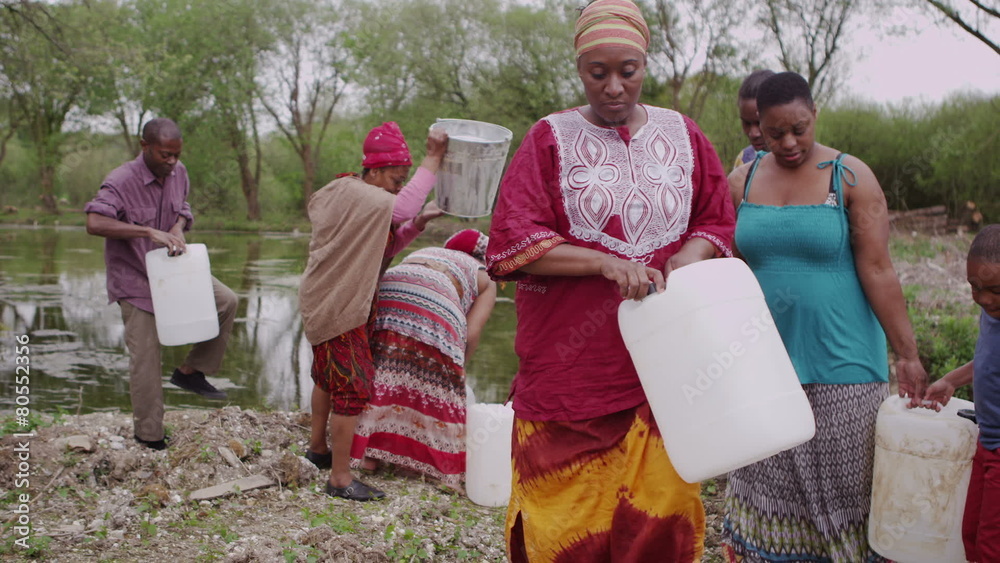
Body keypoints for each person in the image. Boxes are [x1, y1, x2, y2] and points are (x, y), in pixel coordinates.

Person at [485, 0, 736, 559]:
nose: (615, 87)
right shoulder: (548, 138)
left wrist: (689, 255)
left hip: (666, 373)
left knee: (659, 521)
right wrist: (602, 261)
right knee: (562, 529)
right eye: (599, 73)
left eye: (629, 71)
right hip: (571, 373)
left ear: (646, 65)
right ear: (579, 69)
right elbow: (510, 242)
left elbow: (717, 217)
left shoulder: (684, 135)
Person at [721, 72, 929, 562]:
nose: (789, 142)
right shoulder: (741, 182)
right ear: (758, 130)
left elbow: (878, 268)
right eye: (775, 133)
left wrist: (908, 355)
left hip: (844, 364)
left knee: (848, 494)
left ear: (815, 114)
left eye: (799, 128)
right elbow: (726, 271)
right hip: (764, 364)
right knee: (768, 488)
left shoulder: (849, 175)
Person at [299, 121, 447, 501]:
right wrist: (433, 158)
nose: (400, 186)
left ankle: (318, 449)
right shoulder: (355, 193)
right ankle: (340, 479)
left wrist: (418, 224)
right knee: (352, 385)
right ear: (376, 171)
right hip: (337, 305)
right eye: (397, 178)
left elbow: (384, 246)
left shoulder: (361, 201)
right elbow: (402, 206)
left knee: (326, 377)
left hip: (328, 301)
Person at [84, 118, 238, 451]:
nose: (171, 162)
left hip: (172, 269)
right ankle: (150, 436)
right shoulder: (121, 180)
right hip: (134, 278)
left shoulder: (179, 172)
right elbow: (95, 222)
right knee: (146, 358)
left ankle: (191, 372)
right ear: (145, 147)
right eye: (164, 155)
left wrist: (179, 226)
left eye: (176, 155)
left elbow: (182, 209)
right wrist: (146, 231)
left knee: (226, 300)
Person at [350, 229, 497, 490]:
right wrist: (457, 370)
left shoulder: (427, 252)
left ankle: (368, 457)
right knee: (439, 389)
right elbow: (472, 332)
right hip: (436, 307)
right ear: (484, 258)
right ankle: (443, 470)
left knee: (384, 375)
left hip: (388, 294)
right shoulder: (485, 274)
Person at [922, 224, 1000, 563]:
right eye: (974, 287)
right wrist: (952, 380)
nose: (982, 298)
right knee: (970, 533)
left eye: (994, 289)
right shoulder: (991, 313)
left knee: (991, 545)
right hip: (987, 441)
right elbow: (988, 361)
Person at [732, 69, 775, 171]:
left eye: (759, 122)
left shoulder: (804, 163)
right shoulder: (744, 159)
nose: (753, 134)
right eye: (746, 123)